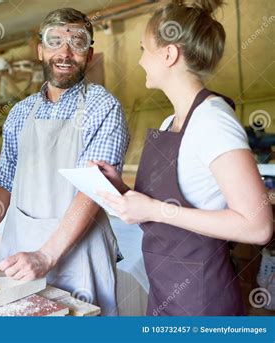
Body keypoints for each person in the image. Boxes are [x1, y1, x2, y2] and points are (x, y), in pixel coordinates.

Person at [94, 0, 273, 316]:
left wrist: (156, 210)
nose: (140, 61)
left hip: (201, 300)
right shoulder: (170, 123)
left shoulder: (213, 122)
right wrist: (119, 187)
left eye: (143, 50)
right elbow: (160, 206)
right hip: (165, 292)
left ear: (168, 54)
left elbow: (258, 226)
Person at [0, 7, 130, 315]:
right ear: (40, 50)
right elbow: (2, 181)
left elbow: (94, 188)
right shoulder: (20, 113)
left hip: (79, 255)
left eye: (77, 42)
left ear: (89, 54)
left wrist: (47, 256)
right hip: (20, 253)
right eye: (54, 41)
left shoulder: (103, 106)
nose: (65, 52)